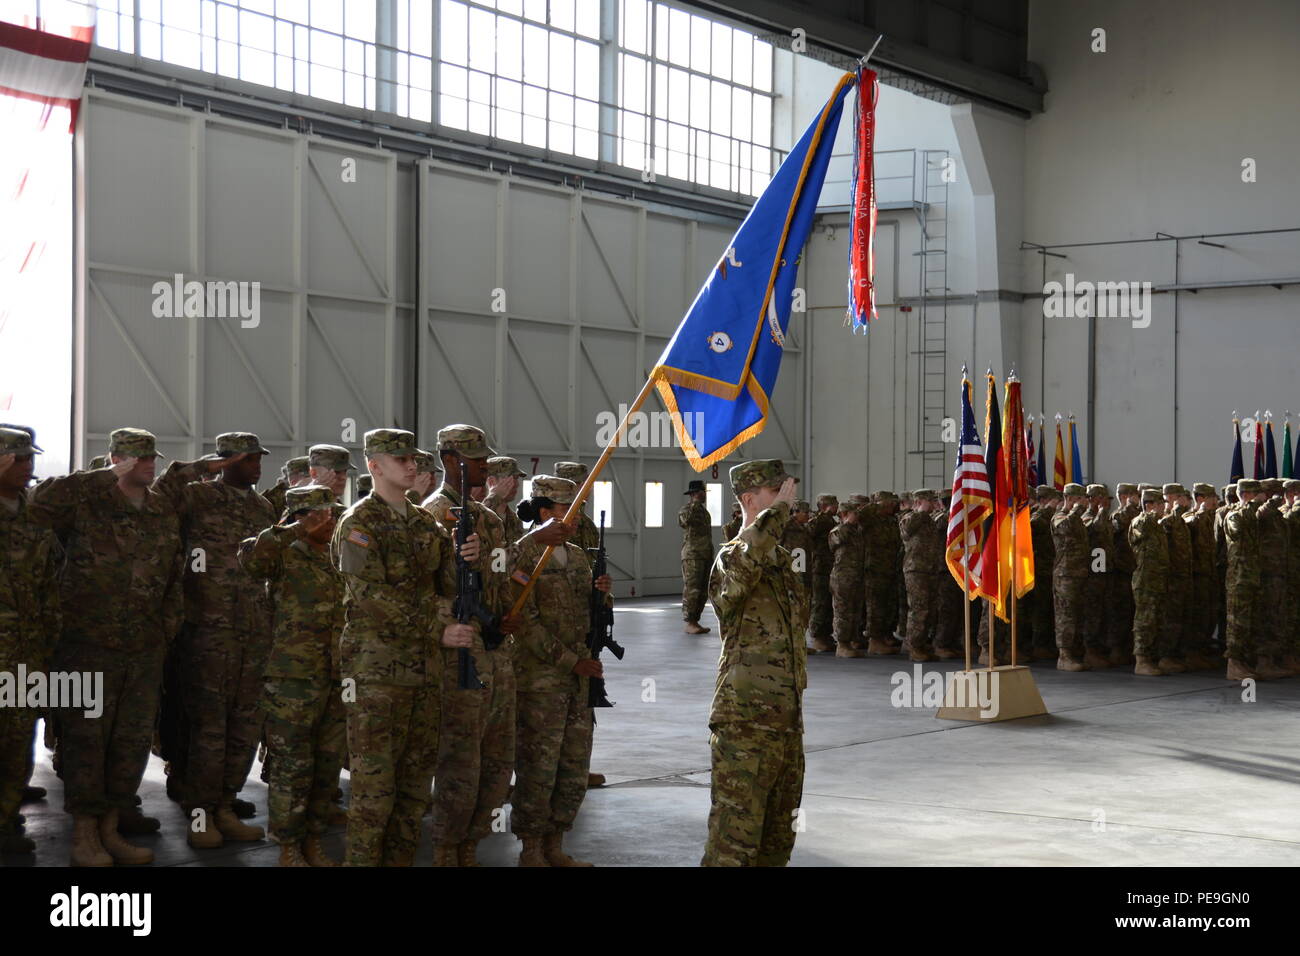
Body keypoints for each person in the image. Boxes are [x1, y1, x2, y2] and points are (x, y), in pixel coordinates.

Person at [26, 428, 221, 865]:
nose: (148, 463)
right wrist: (102, 476)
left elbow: (174, 577)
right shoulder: (85, 504)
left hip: (143, 650)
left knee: (130, 744)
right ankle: (84, 836)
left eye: (152, 456)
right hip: (86, 647)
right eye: (137, 457)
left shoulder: (158, 509)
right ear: (115, 458)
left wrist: (165, 630)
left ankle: (111, 829)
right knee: (85, 742)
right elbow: (39, 504)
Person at [332, 428, 470, 866]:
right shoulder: (359, 523)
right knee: (375, 792)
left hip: (424, 674)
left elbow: (447, 589)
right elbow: (368, 597)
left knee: (413, 793)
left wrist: (468, 558)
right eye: (402, 460)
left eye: (415, 459)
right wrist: (436, 627)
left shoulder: (425, 523)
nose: (413, 466)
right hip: (377, 675)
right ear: (374, 466)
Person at [165, 432, 278, 848]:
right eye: (249, 459)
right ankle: (200, 815)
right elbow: (161, 496)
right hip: (208, 631)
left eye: (259, 459)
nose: (257, 466)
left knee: (244, 726)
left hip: (253, 631)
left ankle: (226, 806)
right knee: (207, 728)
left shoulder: (263, 507)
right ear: (226, 461)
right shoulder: (197, 498)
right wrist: (201, 467)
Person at [425, 425, 529, 867]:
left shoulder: (489, 519)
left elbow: (501, 575)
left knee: (496, 761)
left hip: (497, 654)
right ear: (450, 459)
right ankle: (448, 849)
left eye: (485, 459)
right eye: (475, 459)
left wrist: (506, 613)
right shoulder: (430, 514)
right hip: (457, 657)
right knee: (459, 761)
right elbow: (418, 588)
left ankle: (473, 845)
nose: (484, 466)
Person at [702, 460, 806, 867]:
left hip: (786, 722)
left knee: (778, 838)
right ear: (748, 499)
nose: (786, 497)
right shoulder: (731, 559)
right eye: (774, 492)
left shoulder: (780, 562)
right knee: (735, 839)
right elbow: (747, 562)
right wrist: (778, 512)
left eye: (785, 491)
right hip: (744, 722)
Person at [239, 484, 346, 866]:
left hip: (336, 677)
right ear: (300, 517)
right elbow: (252, 561)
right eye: (321, 515)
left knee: (327, 764)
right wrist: (294, 528)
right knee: (291, 767)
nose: (330, 520)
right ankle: (288, 845)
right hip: (293, 679)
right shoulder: (282, 552)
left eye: (332, 513)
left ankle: (313, 838)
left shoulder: (340, 555)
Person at [507, 476, 612, 866]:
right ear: (547, 511)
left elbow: (590, 612)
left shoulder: (579, 556)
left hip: (579, 680)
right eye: (571, 507)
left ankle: (555, 844)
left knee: (572, 766)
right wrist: (571, 661)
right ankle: (531, 848)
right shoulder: (525, 557)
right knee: (538, 766)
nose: (577, 515)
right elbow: (525, 622)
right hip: (542, 681)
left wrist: (603, 592)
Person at [0, 428, 62, 860]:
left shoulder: (33, 516)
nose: (29, 467)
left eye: (29, 458)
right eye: (19, 459)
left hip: (27, 652)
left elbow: (53, 582)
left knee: (20, 739)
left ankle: (5, 818)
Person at [899, 489, 943, 662]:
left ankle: (923, 644)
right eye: (930, 501)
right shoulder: (910, 518)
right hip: (915, 570)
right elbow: (906, 532)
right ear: (920, 502)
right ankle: (914, 647)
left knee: (930, 609)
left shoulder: (929, 520)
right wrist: (919, 512)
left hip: (930, 569)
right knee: (918, 609)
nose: (934, 504)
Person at [1128, 489, 1169, 676]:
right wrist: (1150, 515)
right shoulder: (1140, 521)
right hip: (1145, 579)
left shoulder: (1157, 525)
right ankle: (1141, 660)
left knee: (1155, 619)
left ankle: (1150, 657)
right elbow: (1141, 527)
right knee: (1144, 620)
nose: (1164, 507)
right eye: (1160, 504)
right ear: (1149, 505)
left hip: (1157, 579)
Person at [1051, 483, 1091, 671]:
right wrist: (1075, 510)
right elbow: (1065, 527)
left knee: (1079, 615)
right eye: (1078, 498)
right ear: (1069, 498)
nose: (1082, 502)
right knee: (1065, 616)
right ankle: (1064, 656)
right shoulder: (1059, 517)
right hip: (1065, 576)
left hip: (1079, 574)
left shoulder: (1079, 520)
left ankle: (1077, 653)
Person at [827, 496, 866, 658]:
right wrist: (847, 522)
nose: (857, 516)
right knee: (842, 611)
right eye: (854, 513)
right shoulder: (838, 530)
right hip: (842, 577)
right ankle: (842, 644)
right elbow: (836, 542)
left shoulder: (856, 532)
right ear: (845, 514)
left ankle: (850, 641)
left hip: (856, 576)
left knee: (854, 611)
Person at [678, 479, 714, 635]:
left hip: (705, 554)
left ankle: (695, 620)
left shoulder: (705, 513)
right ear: (694, 494)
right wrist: (695, 503)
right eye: (701, 493)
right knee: (692, 589)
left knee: (703, 590)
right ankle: (689, 622)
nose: (704, 496)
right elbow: (685, 521)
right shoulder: (686, 509)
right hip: (692, 555)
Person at [806, 495, 838, 653]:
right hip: (819, 567)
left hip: (828, 566)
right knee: (819, 602)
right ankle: (817, 636)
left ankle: (825, 635)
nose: (837, 506)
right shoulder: (819, 520)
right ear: (825, 506)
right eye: (834, 504)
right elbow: (808, 532)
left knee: (826, 603)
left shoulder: (830, 521)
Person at [483, 456, 527, 544]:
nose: (516, 484)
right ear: (491, 482)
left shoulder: (515, 520)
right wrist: (494, 496)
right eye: (510, 479)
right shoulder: (479, 513)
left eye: (516, 478)